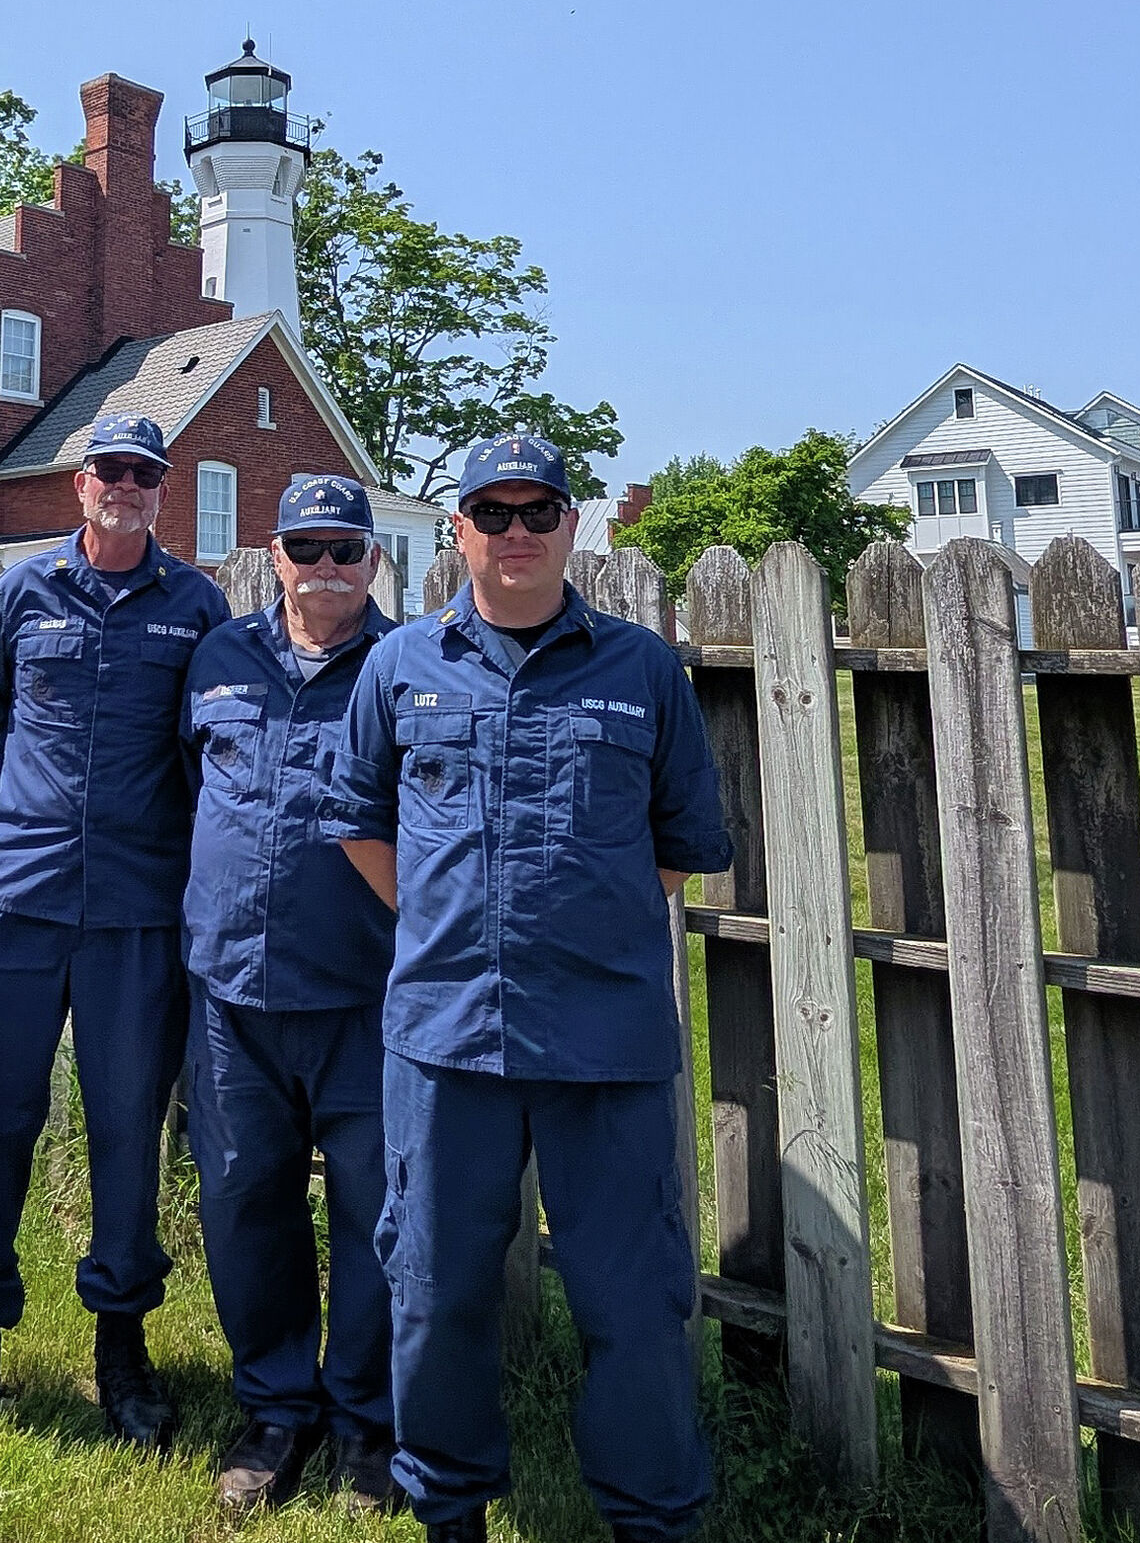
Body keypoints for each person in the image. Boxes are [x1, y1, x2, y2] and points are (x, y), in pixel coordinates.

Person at [327, 433, 733, 1543]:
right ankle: (446, 1506)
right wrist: (448, 920)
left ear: (569, 525)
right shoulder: (398, 665)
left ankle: (650, 1517)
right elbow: (357, 822)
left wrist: (570, 921)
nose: (515, 534)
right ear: (454, 528)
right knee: (436, 1287)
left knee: (633, 1302)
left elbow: (678, 842)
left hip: (602, 1040)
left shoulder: (641, 669)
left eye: (536, 512)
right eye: (490, 514)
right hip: (444, 1034)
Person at [0, 411, 230, 1460]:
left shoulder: (197, 608)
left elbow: (208, 741)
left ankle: (121, 1348)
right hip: (17, 896)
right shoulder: (21, 593)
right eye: (109, 470)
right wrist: (42, 806)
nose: (125, 485)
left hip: (138, 908)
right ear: (78, 485)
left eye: (143, 471)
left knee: (127, 1128)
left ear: (159, 487)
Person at [180, 475, 402, 1514]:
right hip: (232, 995)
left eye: (343, 549)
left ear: (371, 558)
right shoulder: (219, 658)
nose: (324, 568)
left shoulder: (407, 668)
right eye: (304, 547)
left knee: (376, 1216)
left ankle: (367, 1422)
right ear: (272, 552)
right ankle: (275, 1410)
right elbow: (184, 786)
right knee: (241, 1202)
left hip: (366, 996)